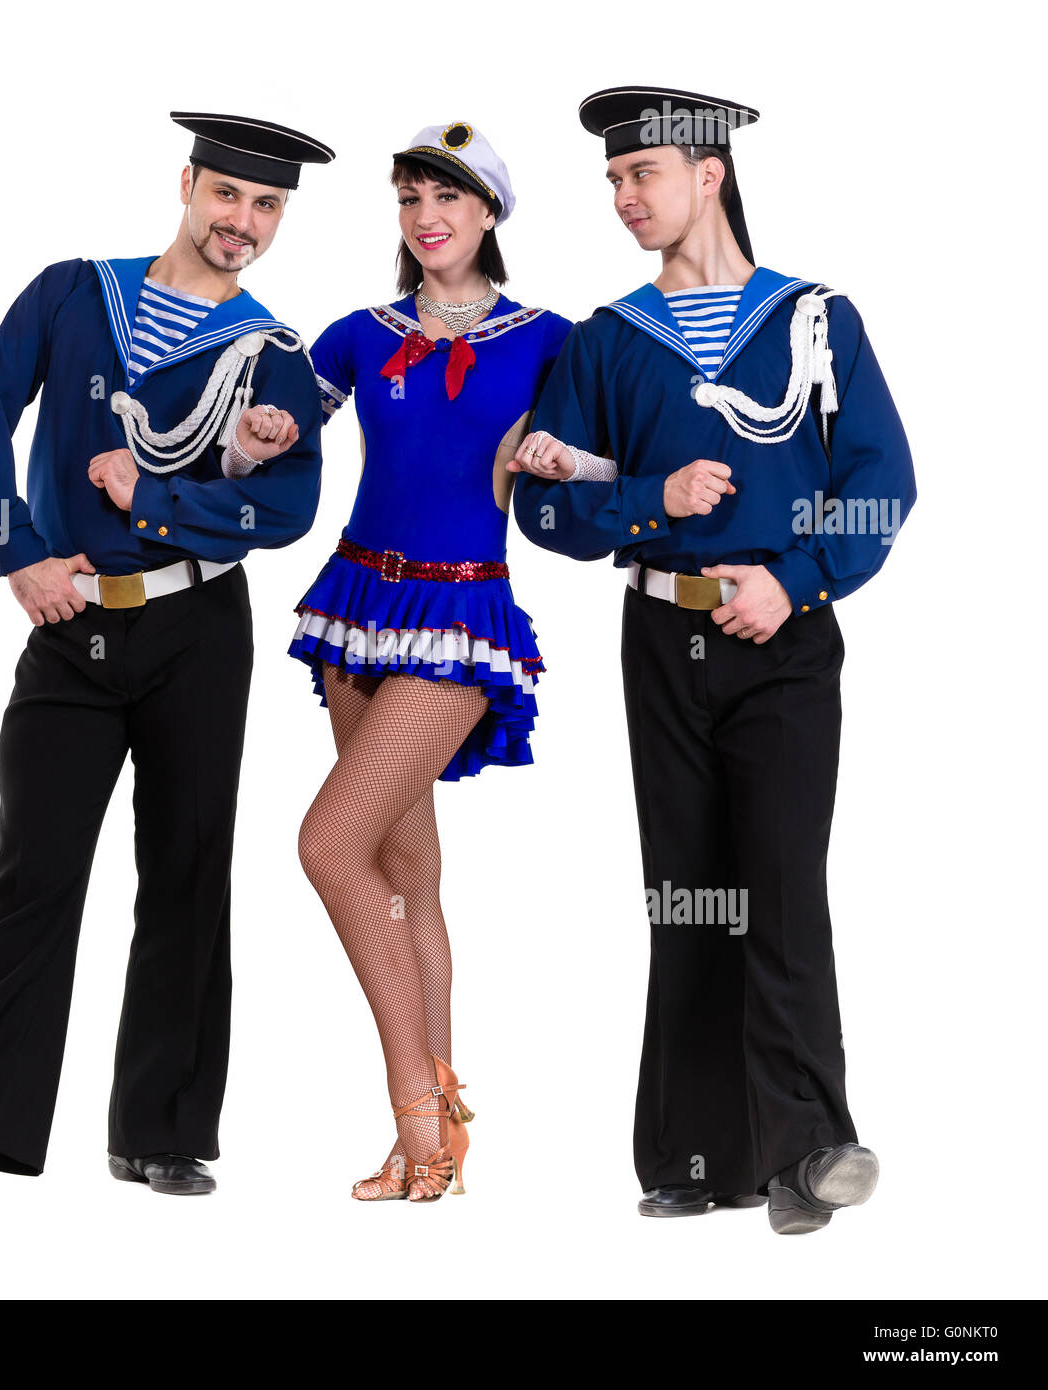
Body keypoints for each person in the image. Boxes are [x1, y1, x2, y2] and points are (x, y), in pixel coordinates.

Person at [0, 112, 334, 1196]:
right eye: (229, 195)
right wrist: (17, 556)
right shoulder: (73, 290)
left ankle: (165, 1133)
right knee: (36, 868)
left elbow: (285, 511)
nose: (244, 222)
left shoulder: (274, 353)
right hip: (70, 621)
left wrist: (164, 494)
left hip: (198, 629)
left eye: (268, 206)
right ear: (187, 183)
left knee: (187, 872)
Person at [510, 86, 916, 1233]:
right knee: (691, 893)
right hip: (661, 634)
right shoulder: (608, 341)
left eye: (643, 174)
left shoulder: (814, 321)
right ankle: (694, 1153)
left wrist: (793, 579)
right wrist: (649, 502)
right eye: (613, 182)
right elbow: (546, 508)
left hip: (786, 640)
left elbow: (880, 481)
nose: (626, 198)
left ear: (709, 173)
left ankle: (809, 1153)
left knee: (780, 887)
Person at [239, 122, 570, 1200]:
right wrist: (261, 436)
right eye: (412, 196)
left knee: (328, 846)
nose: (428, 216)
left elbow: (605, 464)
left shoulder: (549, 339)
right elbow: (277, 432)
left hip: (458, 619)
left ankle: (417, 1115)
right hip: (354, 608)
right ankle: (434, 1135)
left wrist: (564, 456)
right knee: (404, 875)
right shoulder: (358, 331)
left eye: (451, 198)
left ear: (489, 217)